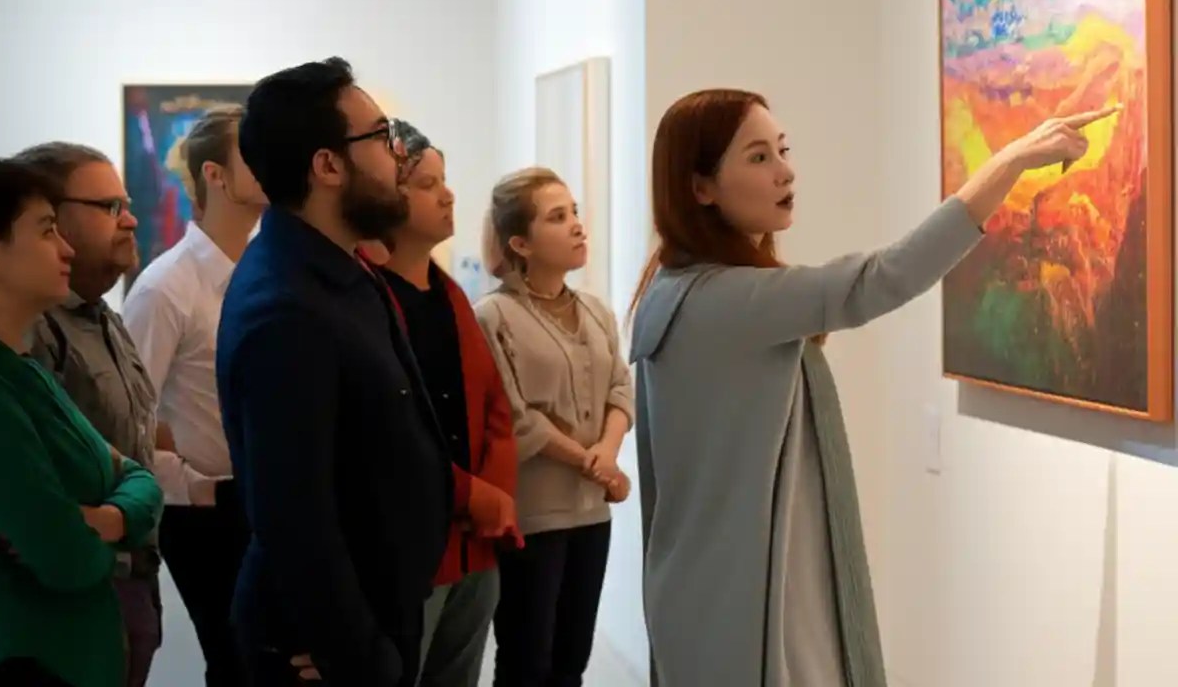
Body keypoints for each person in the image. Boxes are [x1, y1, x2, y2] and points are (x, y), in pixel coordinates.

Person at [628, 89, 1120, 686]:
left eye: (782, 149)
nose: (785, 170)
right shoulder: (723, 301)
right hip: (740, 604)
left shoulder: (672, 288)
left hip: (703, 588)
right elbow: (883, 278)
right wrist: (1010, 161)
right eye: (757, 158)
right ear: (701, 187)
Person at [216, 58, 453, 686]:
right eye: (380, 137)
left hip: (377, 617)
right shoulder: (285, 308)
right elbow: (295, 516)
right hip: (328, 653)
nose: (397, 156)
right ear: (327, 166)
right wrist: (359, 656)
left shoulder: (338, 270)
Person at [0, 156, 163, 687]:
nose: (66, 248)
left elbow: (142, 479)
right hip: (19, 665)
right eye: (47, 232)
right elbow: (70, 562)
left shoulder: (20, 370)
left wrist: (108, 520)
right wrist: (117, 519)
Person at [367, 120, 522, 687]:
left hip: (474, 544)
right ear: (387, 192)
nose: (449, 194)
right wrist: (465, 492)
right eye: (428, 183)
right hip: (410, 545)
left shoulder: (451, 294)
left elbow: (495, 411)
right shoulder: (363, 296)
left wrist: (495, 496)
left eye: (445, 180)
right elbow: (383, 432)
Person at [122, 104, 266, 687]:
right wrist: (194, 487)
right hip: (207, 512)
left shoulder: (266, 269)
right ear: (215, 175)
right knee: (237, 661)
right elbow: (127, 420)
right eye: (252, 152)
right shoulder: (164, 288)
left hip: (266, 497)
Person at [476, 166, 634, 687]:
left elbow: (620, 388)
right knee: (526, 662)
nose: (576, 226)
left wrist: (606, 456)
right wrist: (593, 462)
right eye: (558, 217)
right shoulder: (493, 317)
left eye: (575, 213)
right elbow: (516, 420)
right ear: (520, 242)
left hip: (593, 513)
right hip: (534, 517)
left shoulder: (597, 310)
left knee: (572, 661)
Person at [14, 141, 165, 687]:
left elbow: (137, 451)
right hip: (81, 591)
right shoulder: (33, 331)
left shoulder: (103, 319)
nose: (129, 220)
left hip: (130, 580)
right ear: (52, 220)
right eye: (109, 207)